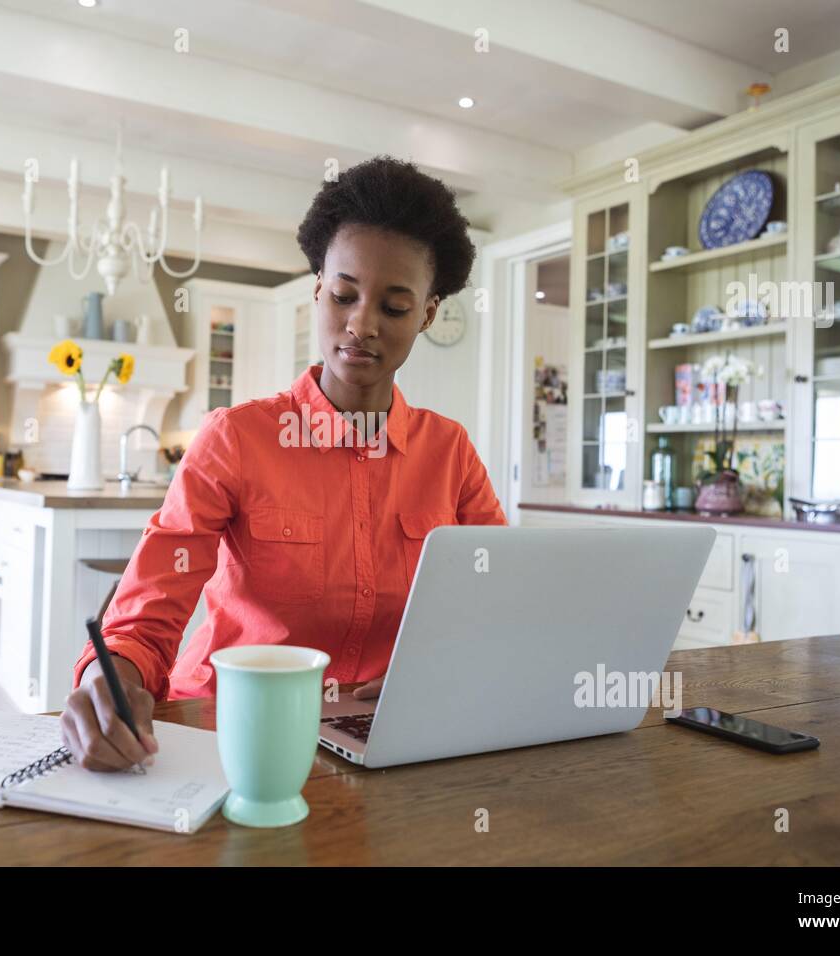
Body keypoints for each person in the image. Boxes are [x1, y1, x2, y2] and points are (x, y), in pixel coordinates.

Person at [61, 156, 507, 771]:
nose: (361, 325)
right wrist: (112, 678)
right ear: (318, 287)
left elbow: (497, 605)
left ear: (428, 314)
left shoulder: (449, 452)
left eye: (395, 308)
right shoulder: (236, 439)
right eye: (344, 295)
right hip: (227, 731)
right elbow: (148, 611)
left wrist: (441, 671)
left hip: (385, 739)